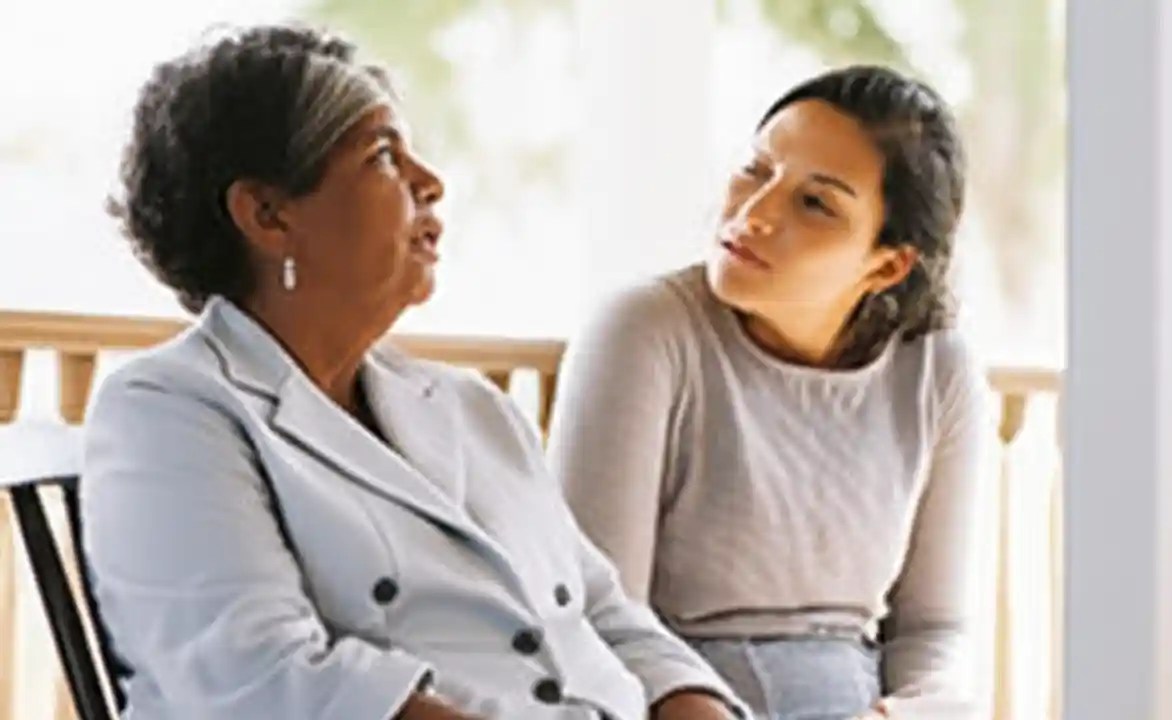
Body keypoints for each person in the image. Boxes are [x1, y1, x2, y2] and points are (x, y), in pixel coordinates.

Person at [82, 24, 744, 720]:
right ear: (268, 215)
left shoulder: (472, 407)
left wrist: (695, 704)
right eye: (383, 157)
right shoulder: (167, 411)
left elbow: (604, 614)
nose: (431, 182)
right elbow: (269, 681)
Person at [548, 66, 990, 720]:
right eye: (756, 169)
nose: (752, 214)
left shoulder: (939, 369)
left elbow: (933, 630)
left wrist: (908, 712)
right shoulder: (645, 330)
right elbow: (598, 610)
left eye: (815, 203)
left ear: (888, 264)